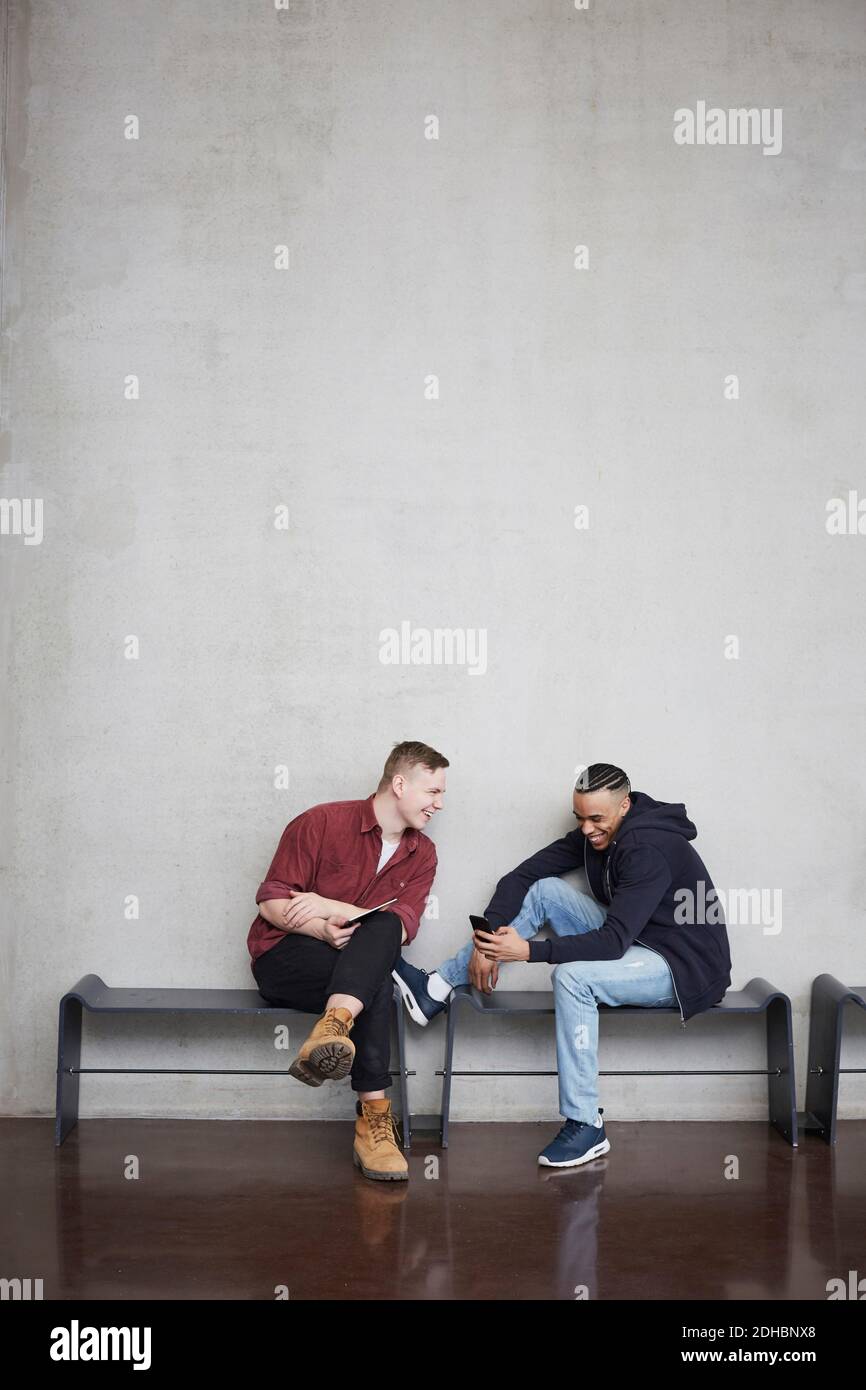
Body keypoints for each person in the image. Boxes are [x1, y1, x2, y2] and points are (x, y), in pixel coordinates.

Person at [392, 762, 732, 1169]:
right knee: (546, 892)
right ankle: (436, 989)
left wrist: (528, 953)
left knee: (572, 977)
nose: (587, 829)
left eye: (597, 818)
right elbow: (521, 876)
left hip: (681, 965)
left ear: (624, 806)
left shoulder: (648, 848)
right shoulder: (596, 834)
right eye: (580, 818)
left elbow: (611, 942)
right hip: (639, 939)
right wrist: (489, 940)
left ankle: (587, 1125)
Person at [247, 740, 447, 1181]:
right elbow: (271, 903)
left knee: (384, 932)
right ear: (399, 784)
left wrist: (323, 902)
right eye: (433, 792)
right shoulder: (320, 822)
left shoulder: (422, 854)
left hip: (355, 967)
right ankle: (373, 1123)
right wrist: (319, 925)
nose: (439, 804)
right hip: (286, 956)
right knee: (375, 977)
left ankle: (333, 1025)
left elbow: (402, 927)